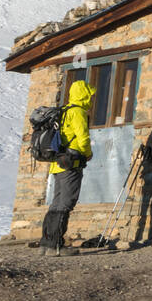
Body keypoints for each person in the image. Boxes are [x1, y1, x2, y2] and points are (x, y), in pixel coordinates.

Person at [40, 80, 96, 256]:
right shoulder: (78, 112)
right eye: (90, 95)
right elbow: (83, 138)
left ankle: (46, 244)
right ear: (84, 95)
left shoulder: (63, 111)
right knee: (65, 204)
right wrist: (88, 153)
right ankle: (56, 246)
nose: (92, 98)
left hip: (57, 165)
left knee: (56, 204)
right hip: (71, 164)